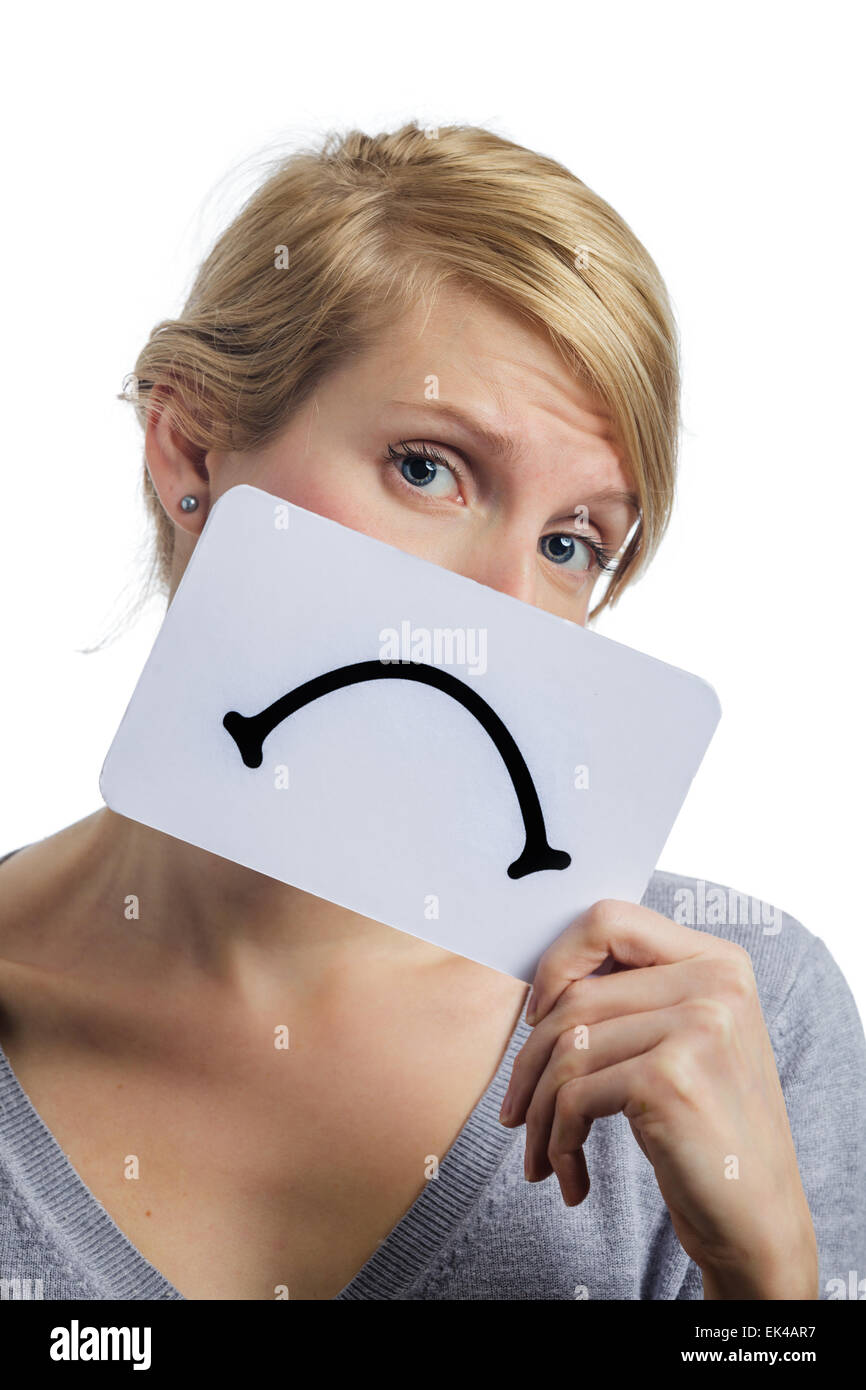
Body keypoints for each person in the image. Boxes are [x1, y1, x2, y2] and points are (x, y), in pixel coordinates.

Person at [1, 123, 863, 1302]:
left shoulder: (735, 1024)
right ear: (189, 444)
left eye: (570, 544)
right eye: (427, 468)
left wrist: (766, 1284)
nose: (503, 610)